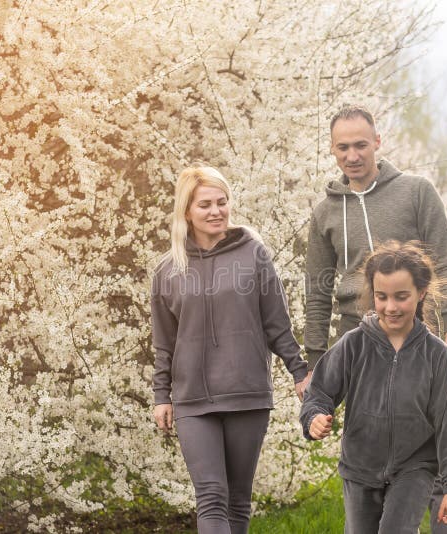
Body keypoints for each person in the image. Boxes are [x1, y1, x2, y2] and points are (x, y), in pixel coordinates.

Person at [304, 104, 447, 532]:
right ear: (333, 150)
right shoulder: (324, 212)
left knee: (432, 446)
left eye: (361, 144)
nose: (352, 155)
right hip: (359, 340)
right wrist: (314, 363)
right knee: (375, 450)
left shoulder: (416, 191)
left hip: (420, 335)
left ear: (378, 142)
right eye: (343, 147)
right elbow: (317, 289)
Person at [151, 163, 309, 534]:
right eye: (205, 204)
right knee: (210, 496)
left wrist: (299, 372)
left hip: (247, 392)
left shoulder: (253, 253)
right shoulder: (167, 270)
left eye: (222, 202)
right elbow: (164, 342)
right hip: (193, 400)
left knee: (238, 501)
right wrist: (162, 394)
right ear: (187, 211)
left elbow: (277, 322)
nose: (216, 211)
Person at [300, 240, 447, 534]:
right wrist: (314, 416)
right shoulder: (354, 344)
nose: (391, 307)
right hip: (359, 468)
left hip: (415, 467)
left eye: (401, 296)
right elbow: (320, 392)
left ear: (421, 292)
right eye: (382, 297)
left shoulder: (436, 354)